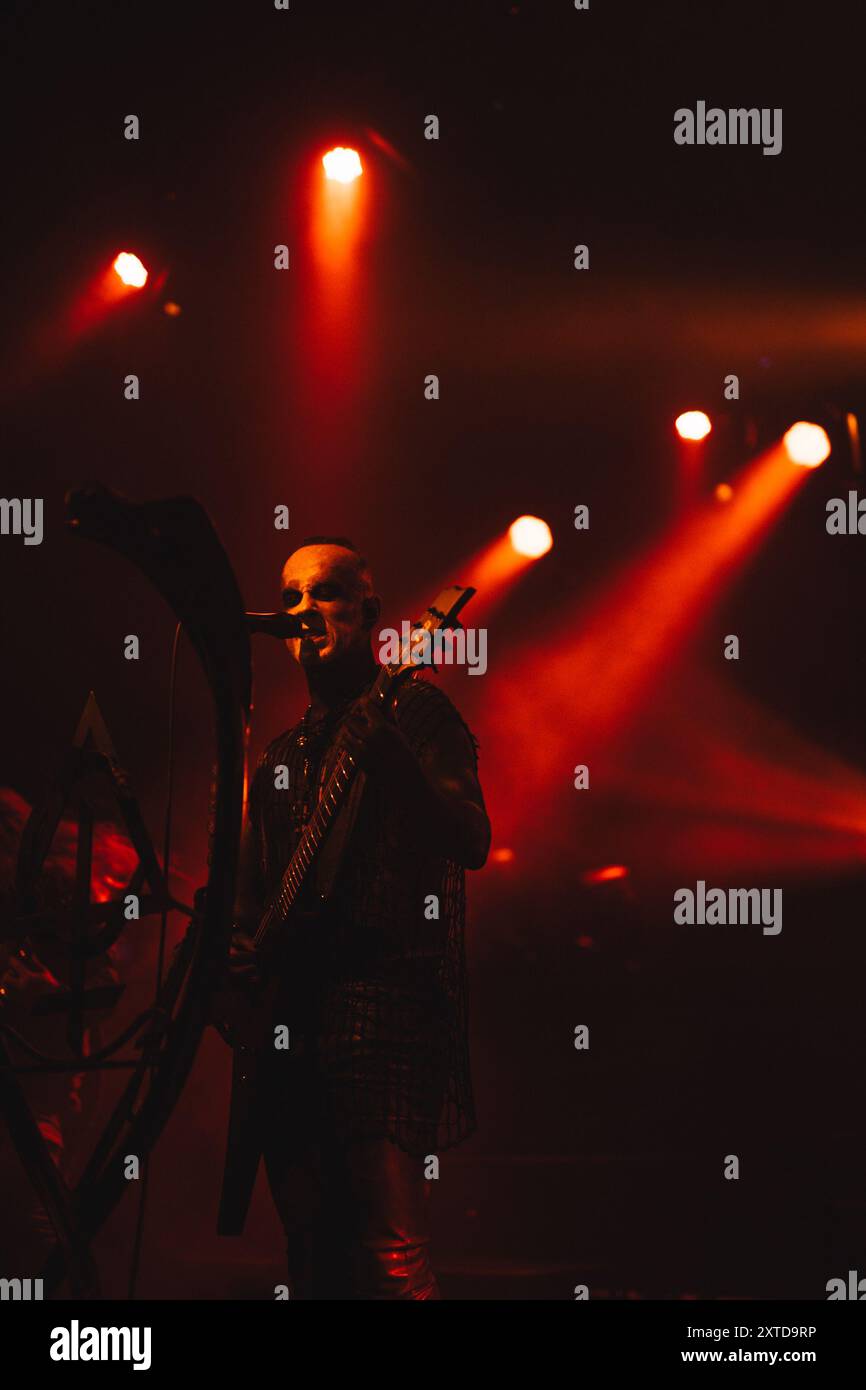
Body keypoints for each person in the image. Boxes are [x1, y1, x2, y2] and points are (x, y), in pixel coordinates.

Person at [219, 538, 490, 1299]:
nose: (302, 611)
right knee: (311, 1257)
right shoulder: (276, 757)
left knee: (390, 1255)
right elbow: (246, 906)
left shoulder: (416, 710)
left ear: (370, 613)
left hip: (387, 1012)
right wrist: (238, 954)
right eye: (292, 597)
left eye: (325, 594)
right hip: (289, 1025)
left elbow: (471, 839)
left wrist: (397, 767)